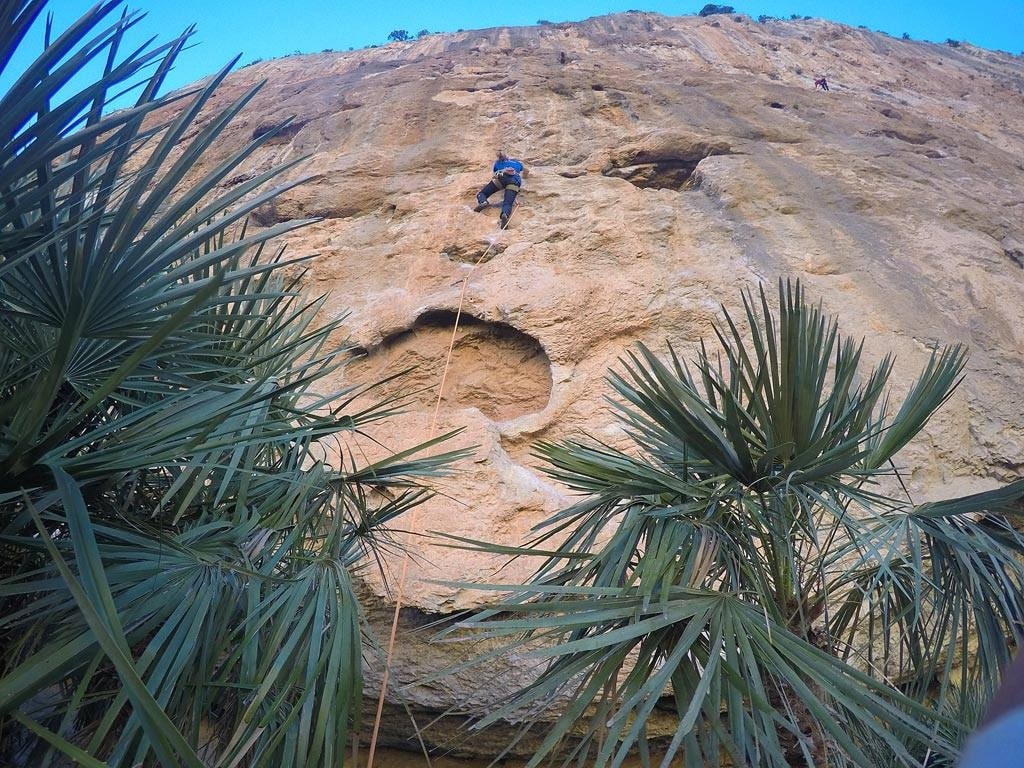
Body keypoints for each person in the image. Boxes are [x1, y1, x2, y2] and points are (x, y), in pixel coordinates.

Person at [474, 150, 524, 229]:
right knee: (508, 202)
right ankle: (504, 214)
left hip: (500, 179)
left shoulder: (497, 163)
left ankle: (483, 201)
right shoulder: (516, 163)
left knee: (482, 193)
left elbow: (495, 174)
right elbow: (526, 171)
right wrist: (526, 176)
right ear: (508, 156)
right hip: (514, 181)